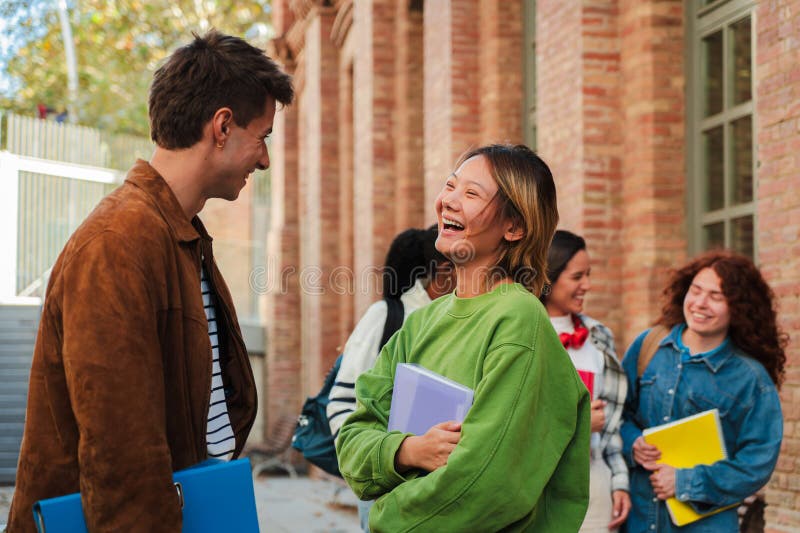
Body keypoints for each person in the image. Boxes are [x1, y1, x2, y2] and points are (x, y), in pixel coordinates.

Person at [6, 31, 293, 532]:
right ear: (222, 126)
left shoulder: (175, 234)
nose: (264, 159)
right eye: (262, 137)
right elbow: (122, 465)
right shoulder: (117, 243)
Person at [336, 144, 591, 532]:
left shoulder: (519, 320)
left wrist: (385, 518)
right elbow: (353, 440)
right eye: (450, 186)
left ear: (515, 226)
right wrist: (407, 450)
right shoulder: (422, 322)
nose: (448, 202)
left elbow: (486, 484)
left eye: (471, 194)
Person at [620, 250, 786, 532]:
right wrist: (632, 442)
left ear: (738, 307)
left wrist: (686, 482)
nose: (700, 303)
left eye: (716, 297)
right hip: (638, 518)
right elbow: (618, 414)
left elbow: (756, 463)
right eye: (695, 291)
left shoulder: (750, 379)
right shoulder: (648, 346)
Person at [327, 225, 454, 532]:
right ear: (445, 271)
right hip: (385, 487)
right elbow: (341, 401)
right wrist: (374, 463)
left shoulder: (458, 320)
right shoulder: (386, 316)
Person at [540, 230, 631, 532]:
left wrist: (618, 481)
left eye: (589, 275)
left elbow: (612, 425)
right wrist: (578, 423)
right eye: (577, 276)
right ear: (548, 276)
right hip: (540, 487)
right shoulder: (521, 335)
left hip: (594, 484)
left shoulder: (599, 336)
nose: (587, 286)